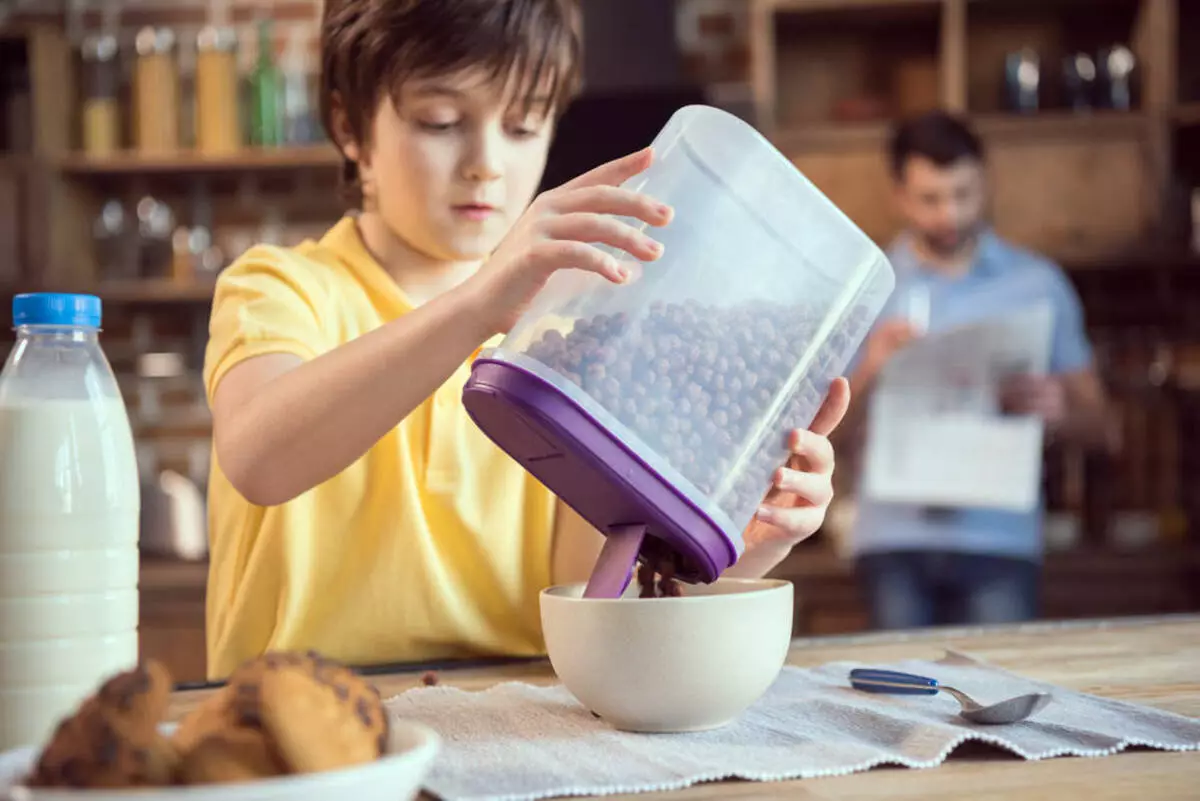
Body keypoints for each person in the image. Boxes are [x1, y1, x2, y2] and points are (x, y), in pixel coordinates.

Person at [201, 0, 850, 679]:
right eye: (441, 121)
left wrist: (735, 539)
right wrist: (478, 308)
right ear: (349, 126)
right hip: (299, 716)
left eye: (522, 124)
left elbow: (592, 592)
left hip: (507, 721)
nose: (487, 163)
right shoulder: (280, 286)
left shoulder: (567, 336)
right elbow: (259, 457)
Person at [840, 111, 1108, 630]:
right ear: (899, 194)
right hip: (893, 538)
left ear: (985, 183)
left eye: (964, 194)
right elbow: (820, 438)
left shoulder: (1038, 283)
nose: (950, 215)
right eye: (931, 199)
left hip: (999, 539)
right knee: (900, 702)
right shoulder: (865, 289)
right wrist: (872, 367)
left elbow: (1101, 426)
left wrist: (1058, 409)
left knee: (1002, 700)